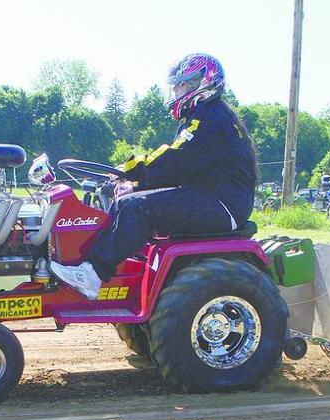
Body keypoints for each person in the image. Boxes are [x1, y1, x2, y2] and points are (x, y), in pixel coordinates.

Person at [50, 53, 259, 299]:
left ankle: (93, 274)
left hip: (223, 204)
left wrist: (128, 170)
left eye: (182, 84)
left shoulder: (210, 119)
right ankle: (109, 270)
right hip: (212, 195)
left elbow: (175, 159)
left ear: (202, 83)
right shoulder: (208, 116)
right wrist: (135, 183)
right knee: (128, 201)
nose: (176, 91)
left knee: (137, 206)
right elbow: (184, 168)